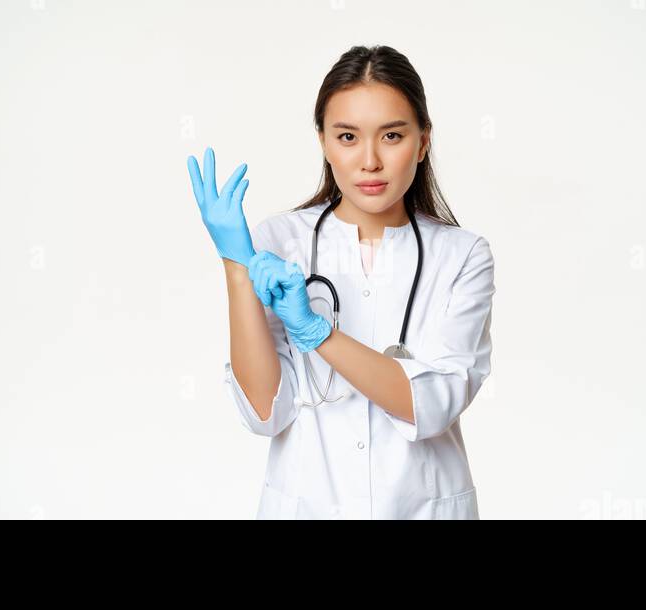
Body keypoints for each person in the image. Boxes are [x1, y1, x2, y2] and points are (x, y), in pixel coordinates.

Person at [188, 45, 495, 519]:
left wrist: (317, 334)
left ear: (423, 140)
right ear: (324, 142)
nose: (369, 161)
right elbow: (266, 413)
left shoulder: (462, 256)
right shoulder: (279, 242)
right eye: (347, 136)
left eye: (391, 136)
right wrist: (235, 264)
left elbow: (431, 405)